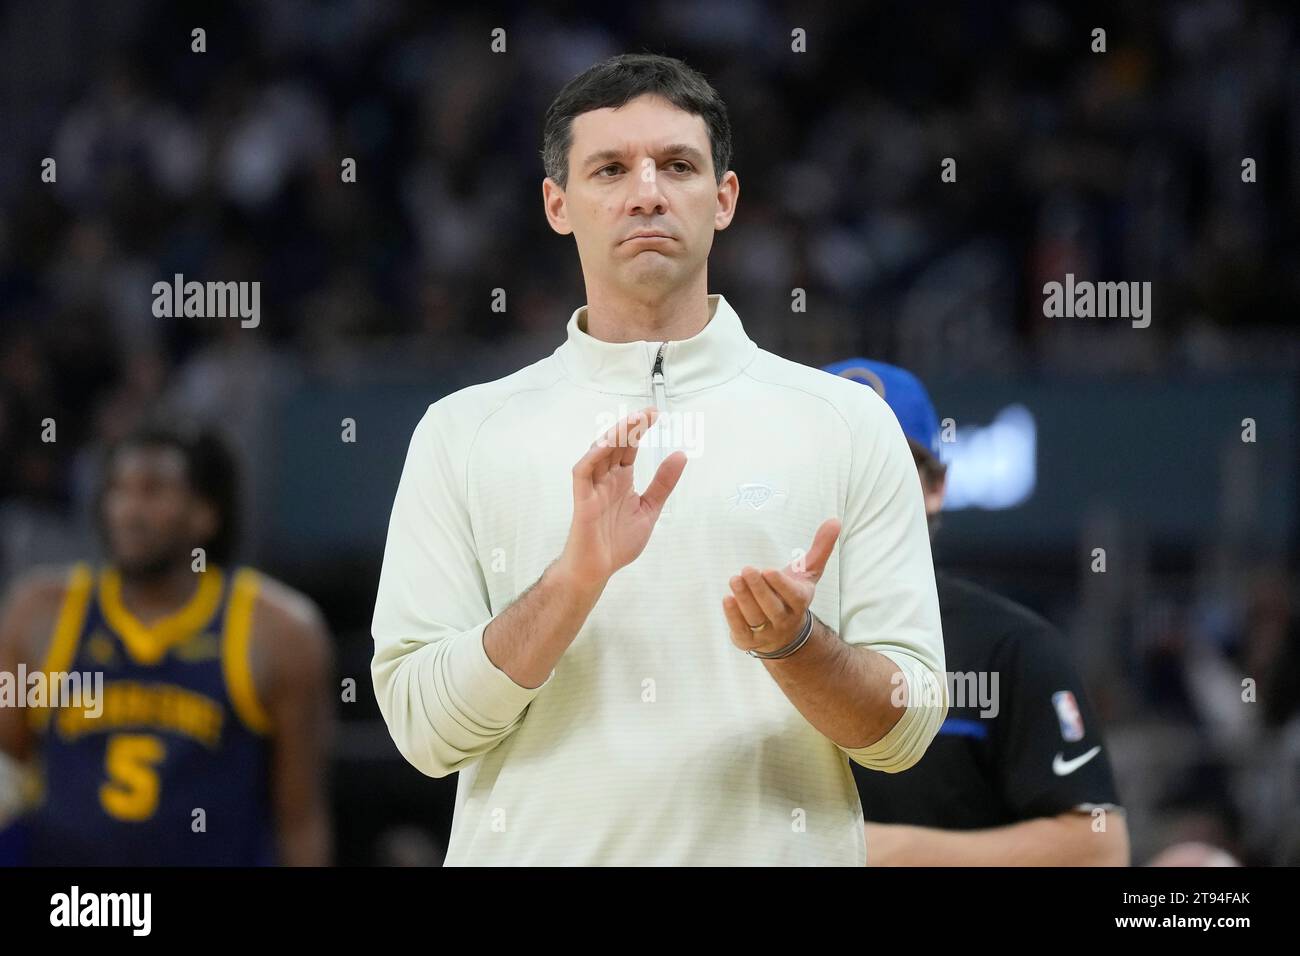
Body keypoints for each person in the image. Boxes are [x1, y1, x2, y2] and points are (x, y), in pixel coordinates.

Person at [370, 53, 948, 866]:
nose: (647, 191)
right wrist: (572, 581)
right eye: (609, 169)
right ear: (557, 205)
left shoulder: (848, 425)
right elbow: (424, 733)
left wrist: (796, 645)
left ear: (724, 198)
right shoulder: (461, 432)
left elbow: (908, 729)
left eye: (678, 165)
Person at [823, 358, 1130, 865]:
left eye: (887, 468)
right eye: (830, 465)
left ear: (936, 488)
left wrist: (888, 851)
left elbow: (1098, 848)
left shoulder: (1007, 645)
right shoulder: (733, 635)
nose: (856, 492)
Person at [0, 418, 334, 865]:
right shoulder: (39, 614)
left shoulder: (280, 632)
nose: (129, 511)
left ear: (205, 513)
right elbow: (8, 765)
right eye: (118, 490)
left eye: (153, 490)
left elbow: (300, 820)